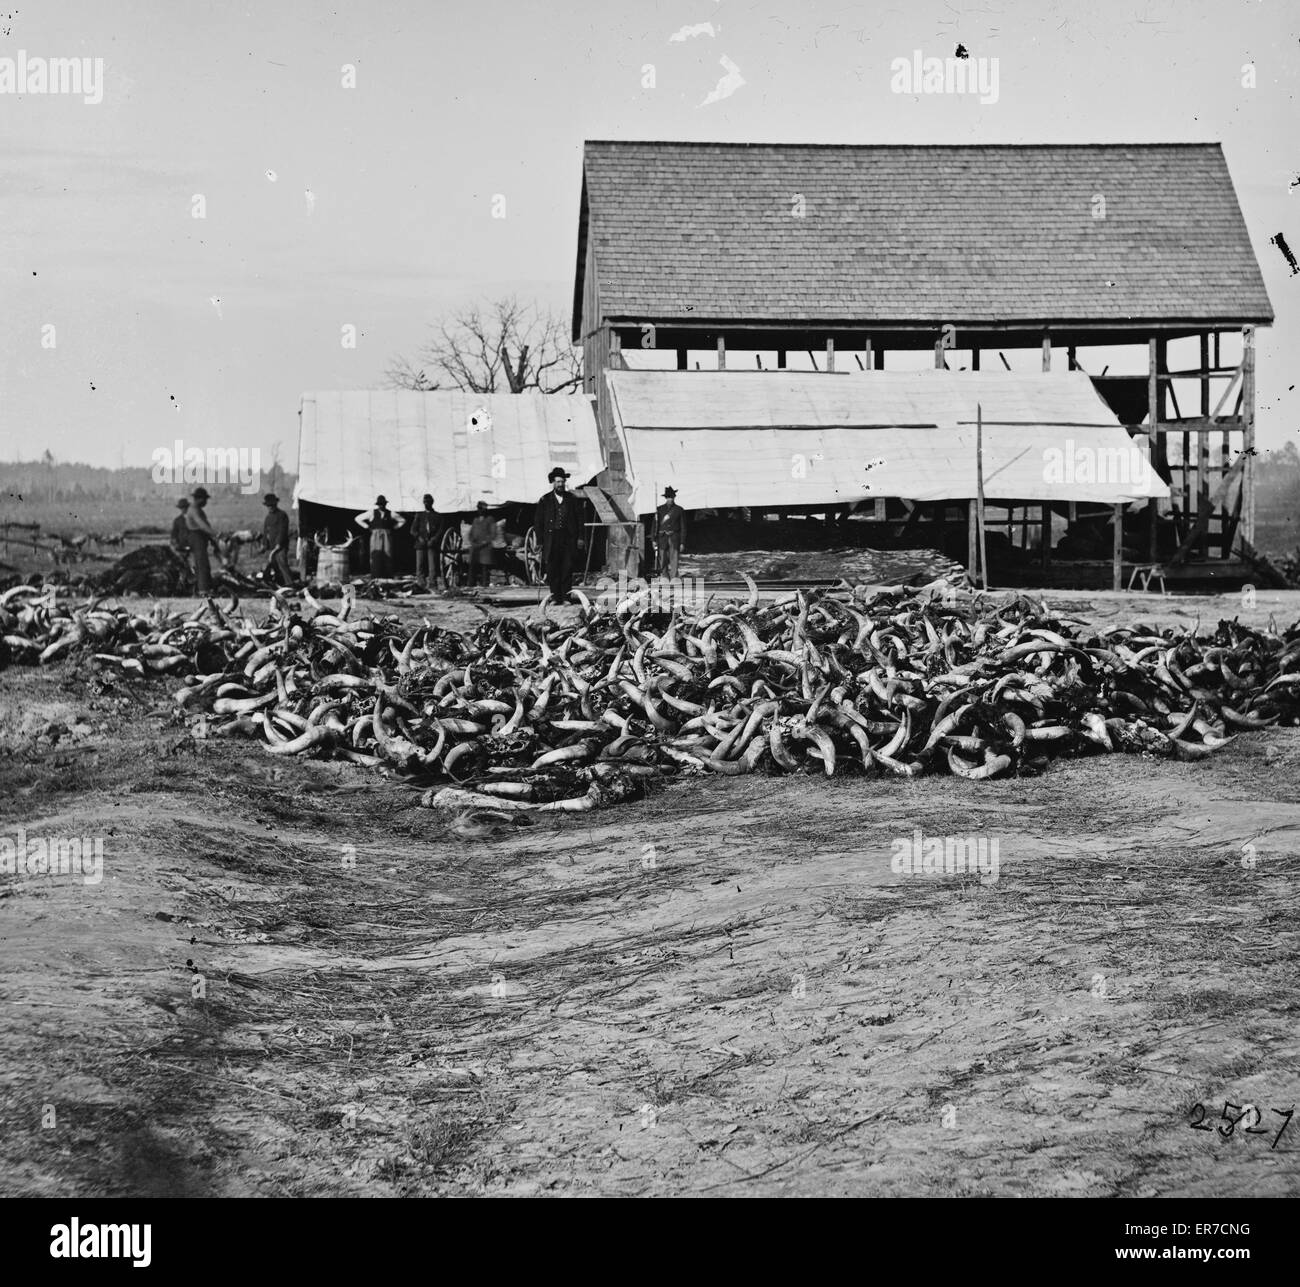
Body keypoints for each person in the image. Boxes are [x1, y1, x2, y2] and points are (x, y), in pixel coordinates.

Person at [535, 467, 583, 604]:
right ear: (553, 483)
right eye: (557, 482)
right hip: (551, 540)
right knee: (552, 568)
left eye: (562, 482)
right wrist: (539, 541)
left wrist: (580, 538)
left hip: (568, 539)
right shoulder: (545, 500)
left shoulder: (572, 499)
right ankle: (556, 597)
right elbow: (538, 522)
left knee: (567, 568)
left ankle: (566, 597)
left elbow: (580, 519)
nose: (560, 484)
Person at [355, 494, 405, 578]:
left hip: (386, 535)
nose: (381, 506)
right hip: (376, 535)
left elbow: (402, 520)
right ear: (378, 505)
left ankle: (388, 576)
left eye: (383, 504)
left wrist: (394, 528)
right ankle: (375, 576)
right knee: (375, 554)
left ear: (385, 504)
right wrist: (367, 527)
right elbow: (358, 519)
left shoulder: (391, 513)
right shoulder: (372, 512)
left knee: (388, 553)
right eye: (380, 504)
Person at [184, 487, 218, 594]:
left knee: (203, 563)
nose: (206, 502)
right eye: (204, 499)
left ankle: (205, 587)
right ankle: (204, 589)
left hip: (200, 537)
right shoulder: (194, 510)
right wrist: (216, 535)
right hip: (196, 537)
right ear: (199, 499)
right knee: (201, 563)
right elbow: (203, 526)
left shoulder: (197, 509)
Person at [410, 493, 442, 590]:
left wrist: (434, 539)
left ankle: (432, 584)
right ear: (423, 503)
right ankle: (421, 584)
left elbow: (440, 531)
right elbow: (413, 530)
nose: (427, 504)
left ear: (432, 503)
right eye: (425, 502)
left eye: (429, 502)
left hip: (431, 543)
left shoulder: (438, 516)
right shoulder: (419, 515)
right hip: (420, 543)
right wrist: (419, 537)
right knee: (420, 565)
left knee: (432, 565)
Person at [261, 493, 294, 587]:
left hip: (281, 546)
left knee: (282, 563)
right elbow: (265, 532)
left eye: (272, 505)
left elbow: (282, 530)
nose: (270, 507)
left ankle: (290, 584)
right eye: (268, 506)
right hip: (271, 546)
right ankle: (280, 584)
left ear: (276, 504)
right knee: (274, 565)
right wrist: (264, 545)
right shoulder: (268, 518)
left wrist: (279, 544)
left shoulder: (282, 515)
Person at [654, 486, 687, 579]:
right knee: (662, 558)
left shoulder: (679, 510)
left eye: (671, 497)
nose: (670, 499)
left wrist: (682, 542)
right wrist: (654, 539)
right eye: (668, 497)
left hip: (674, 537)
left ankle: (674, 578)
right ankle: (664, 577)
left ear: (674, 497)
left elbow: (683, 527)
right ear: (665, 498)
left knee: (674, 559)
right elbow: (655, 525)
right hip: (662, 537)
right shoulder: (659, 509)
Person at [468, 501, 496, 588]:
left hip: (485, 546)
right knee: (472, 564)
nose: (480, 511)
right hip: (476, 546)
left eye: (482, 509)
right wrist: (472, 541)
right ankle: (471, 584)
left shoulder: (490, 519)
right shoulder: (475, 520)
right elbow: (471, 533)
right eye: (479, 509)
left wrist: (485, 541)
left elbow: (493, 534)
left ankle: (484, 584)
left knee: (484, 564)